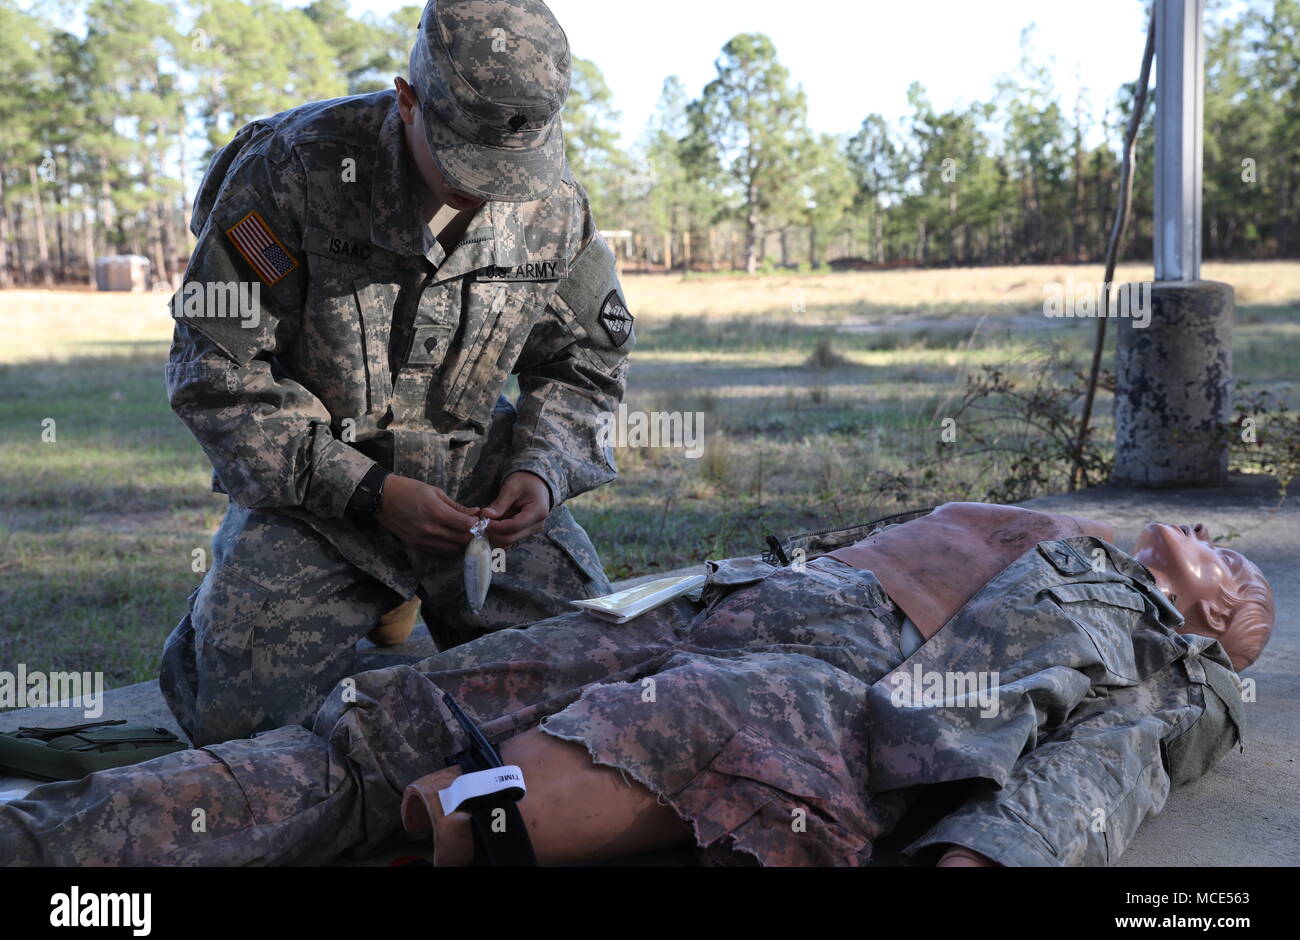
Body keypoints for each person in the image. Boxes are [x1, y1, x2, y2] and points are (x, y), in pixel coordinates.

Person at [0, 504, 1273, 867]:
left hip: (822, 686)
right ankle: (45, 838)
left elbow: (1111, 768)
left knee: (503, 790)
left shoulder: (1167, 651)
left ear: (1216, 618)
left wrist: (984, 859)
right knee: (379, 727)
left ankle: (478, 825)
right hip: (716, 608)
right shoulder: (1056, 524)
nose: (1222, 554)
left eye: (1233, 573)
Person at [159, 0, 636, 748]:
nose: (487, 191)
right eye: (466, 163)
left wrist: (543, 471)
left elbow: (586, 362)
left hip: (476, 499)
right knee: (239, 722)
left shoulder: (552, 201)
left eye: (509, 169)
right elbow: (217, 373)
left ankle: (406, 602)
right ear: (405, 100)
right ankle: (345, 596)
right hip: (324, 501)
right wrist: (368, 493)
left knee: (603, 681)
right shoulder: (291, 170)